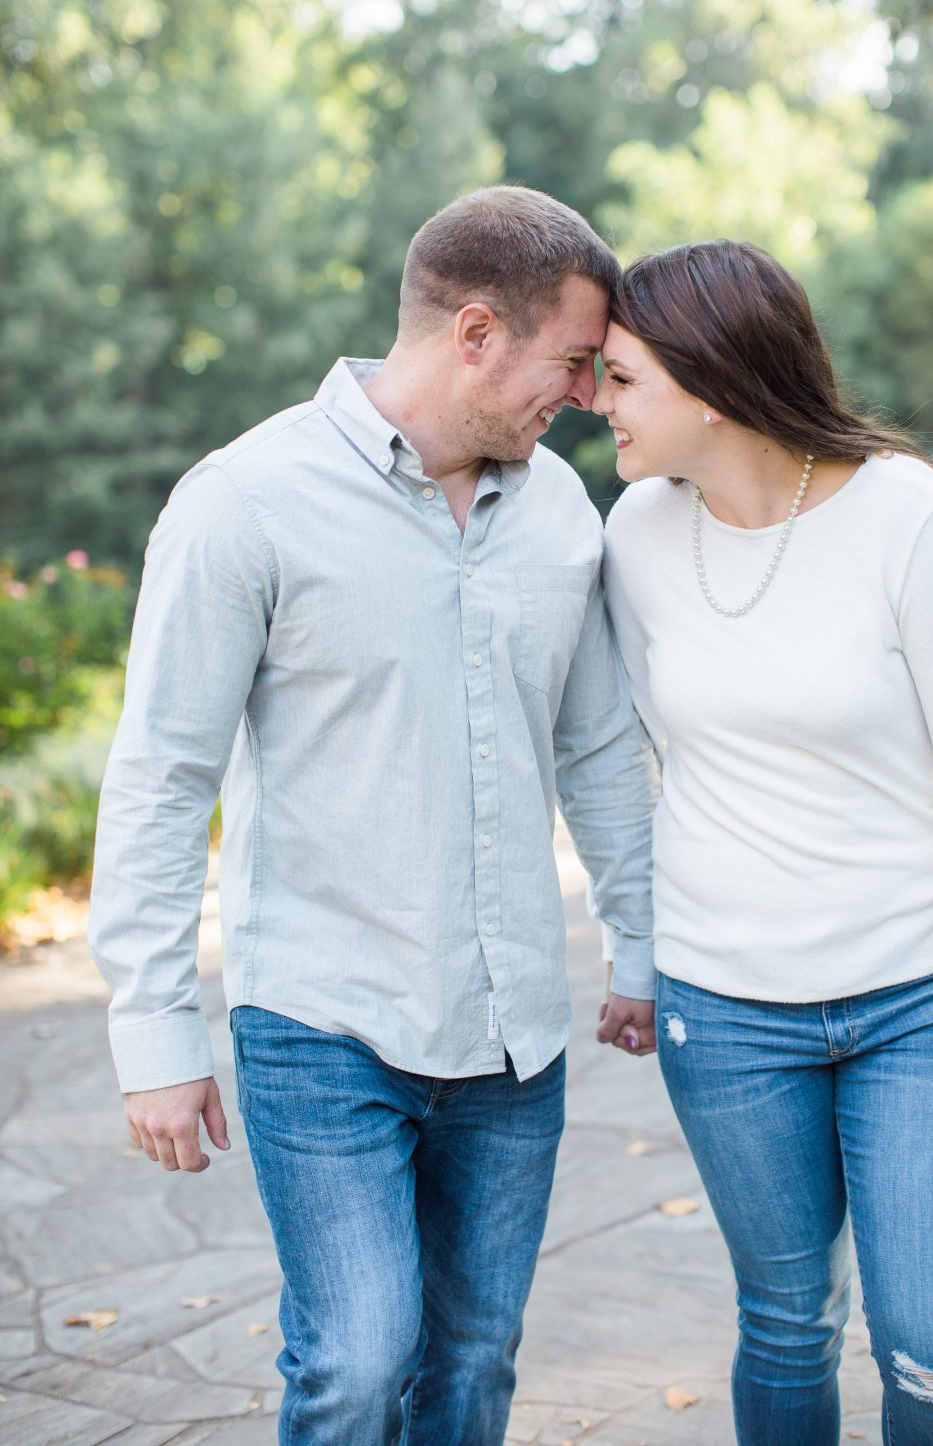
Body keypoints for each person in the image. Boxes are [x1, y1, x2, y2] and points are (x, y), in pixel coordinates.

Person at [88, 185, 657, 1446]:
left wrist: (640, 939)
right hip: (322, 1018)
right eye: (571, 360)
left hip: (513, 1034)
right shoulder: (245, 501)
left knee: (472, 1362)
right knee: (355, 1362)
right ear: (474, 333)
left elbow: (599, 744)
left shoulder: (561, 513)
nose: (585, 394)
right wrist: (154, 1028)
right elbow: (163, 775)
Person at [592, 238, 933, 1446]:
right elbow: (632, 757)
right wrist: (635, 949)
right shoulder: (633, 534)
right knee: (785, 1323)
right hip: (724, 1012)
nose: (596, 401)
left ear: (709, 384)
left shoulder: (906, 515)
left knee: (931, 1353)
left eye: (622, 376)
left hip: (919, 1001)